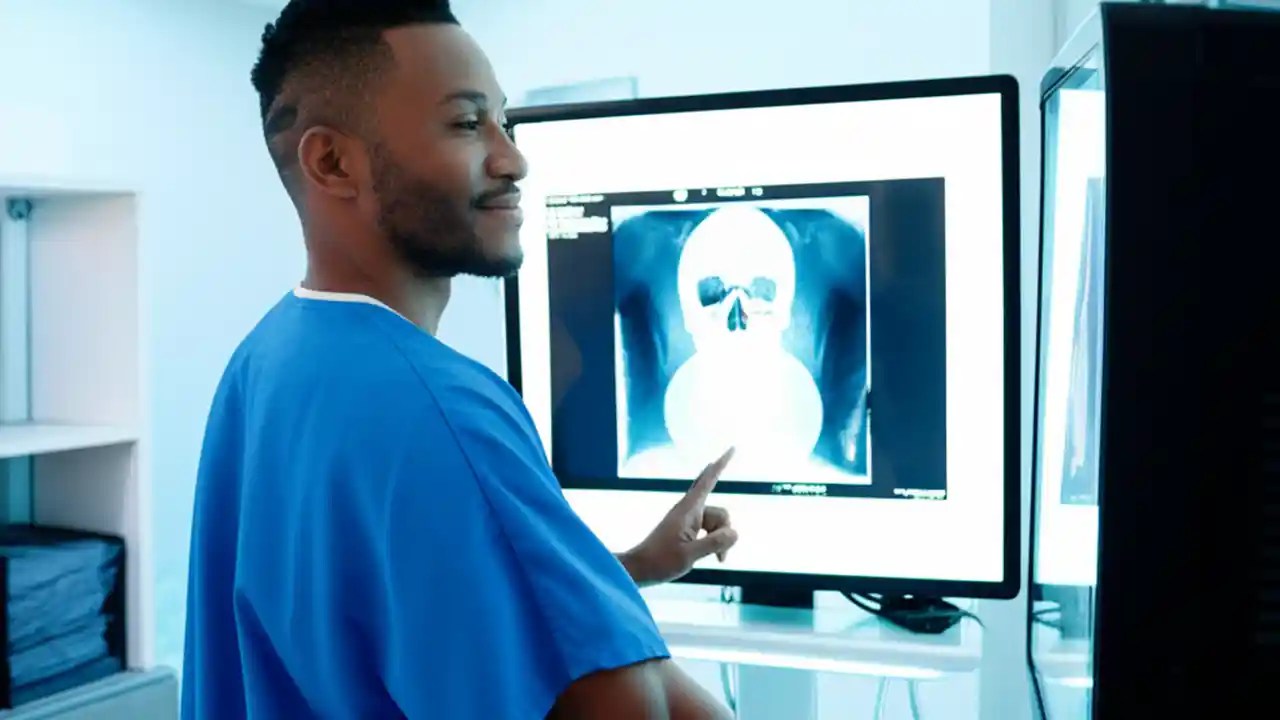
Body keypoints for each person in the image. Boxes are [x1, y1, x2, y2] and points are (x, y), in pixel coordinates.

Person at [181, 1, 738, 718]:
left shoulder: (267, 361)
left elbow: (391, 621)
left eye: (502, 120)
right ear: (333, 161)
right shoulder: (441, 410)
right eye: (467, 123)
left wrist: (614, 575)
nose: (513, 157)